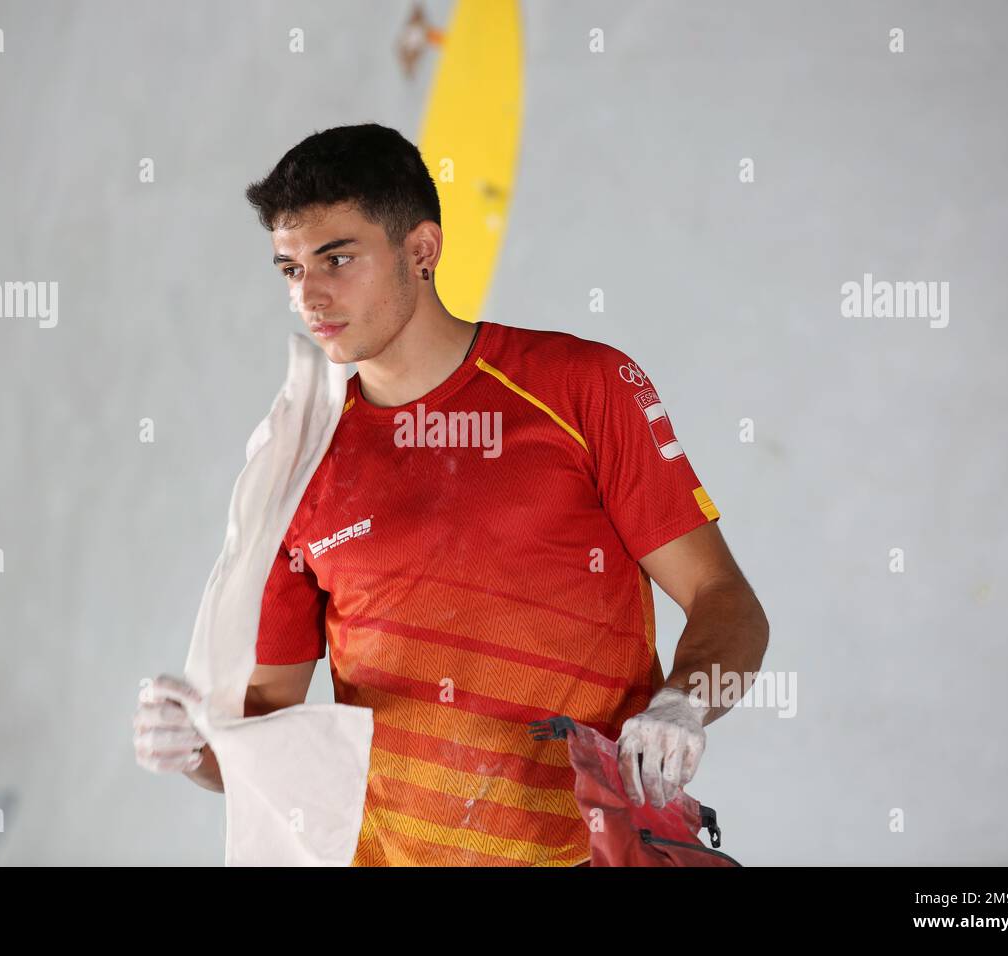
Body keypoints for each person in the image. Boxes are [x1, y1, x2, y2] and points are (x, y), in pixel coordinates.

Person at [135, 123, 769, 866]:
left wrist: (684, 702)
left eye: (337, 258)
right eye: (289, 269)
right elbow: (261, 736)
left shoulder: (582, 387)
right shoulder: (296, 466)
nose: (309, 294)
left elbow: (726, 600)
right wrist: (197, 749)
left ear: (422, 250)